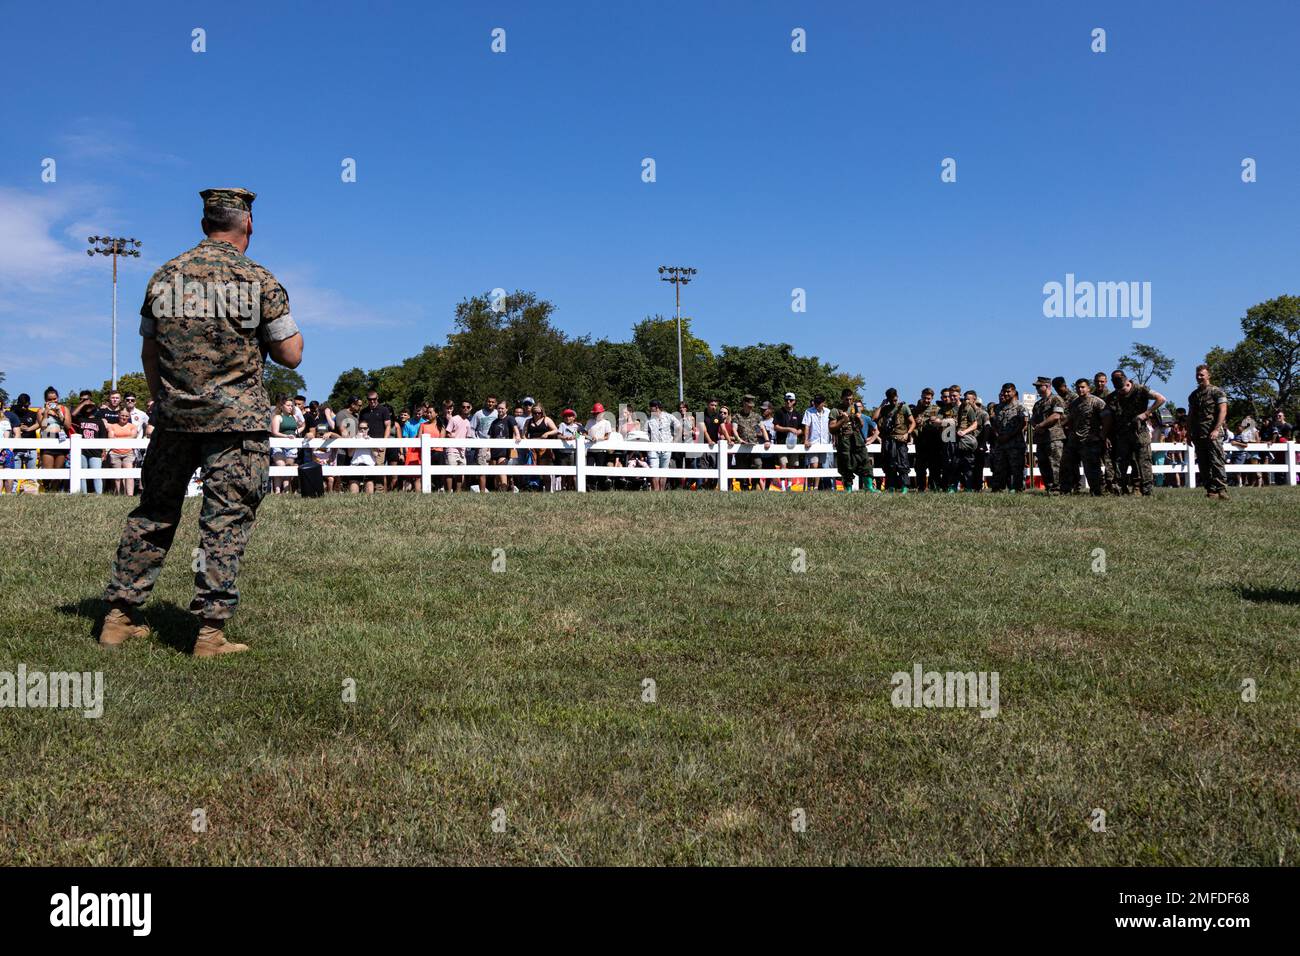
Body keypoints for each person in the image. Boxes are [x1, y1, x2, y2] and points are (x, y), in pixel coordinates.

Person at [98, 186, 304, 657]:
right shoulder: (257, 281)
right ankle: (209, 634)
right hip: (235, 424)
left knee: (153, 514)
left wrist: (163, 400)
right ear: (248, 223)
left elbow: (149, 351)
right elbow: (291, 355)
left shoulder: (165, 276)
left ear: (204, 223)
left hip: (174, 418)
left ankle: (118, 617)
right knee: (225, 522)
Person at [1108, 370, 1165, 497]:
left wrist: (1146, 413)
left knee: (1144, 462)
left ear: (1127, 382)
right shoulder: (1113, 396)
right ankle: (1121, 490)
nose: (1121, 392)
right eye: (1119, 390)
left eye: (1123, 389)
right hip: (1122, 433)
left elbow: (1161, 399)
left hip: (1140, 432)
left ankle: (1147, 491)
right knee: (1120, 462)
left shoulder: (1141, 390)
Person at [1187, 364, 1229, 499]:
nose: (1199, 377)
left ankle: (1221, 489)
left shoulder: (1217, 392)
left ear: (1208, 376)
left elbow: (1223, 410)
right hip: (1199, 434)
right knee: (1203, 464)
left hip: (1213, 433)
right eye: (1197, 375)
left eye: (1202, 375)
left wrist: (1216, 429)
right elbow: (1191, 415)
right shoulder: (1194, 395)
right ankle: (1211, 490)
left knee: (1216, 461)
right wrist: (1188, 433)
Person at [1060, 378, 1106, 495]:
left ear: (1088, 388)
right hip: (1074, 440)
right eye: (1078, 387)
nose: (1080, 389)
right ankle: (1067, 490)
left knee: (1091, 468)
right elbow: (1069, 419)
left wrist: (1102, 434)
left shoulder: (1097, 402)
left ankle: (1097, 491)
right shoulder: (1074, 404)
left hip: (1090, 440)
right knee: (1067, 464)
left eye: (1082, 387)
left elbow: (1107, 419)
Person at [1029, 376, 1066, 494]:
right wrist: (1036, 426)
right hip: (1041, 438)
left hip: (1054, 437)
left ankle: (1058, 487)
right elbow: (1032, 419)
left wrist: (1041, 425)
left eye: (1040, 386)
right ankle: (1049, 487)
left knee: (1055, 463)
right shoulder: (1038, 404)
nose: (1038, 388)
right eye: (1037, 386)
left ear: (1048, 386)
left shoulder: (1056, 399)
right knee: (1043, 464)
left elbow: (1056, 415)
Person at [828, 388, 871, 490]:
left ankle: (869, 487)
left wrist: (859, 418)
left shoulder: (854, 408)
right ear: (842, 398)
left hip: (856, 439)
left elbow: (861, 426)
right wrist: (843, 420)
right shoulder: (835, 411)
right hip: (843, 440)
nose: (849, 401)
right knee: (845, 463)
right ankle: (848, 488)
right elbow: (831, 428)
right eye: (847, 399)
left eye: (851, 399)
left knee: (864, 460)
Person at [988, 383, 1027, 492]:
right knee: (998, 468)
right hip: (1000, 443)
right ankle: (997, 489)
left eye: (1008, 391)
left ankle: (1018, 490)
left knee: (1016, 469)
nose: (1006, 393)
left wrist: (1009, 435)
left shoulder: (1020, 407)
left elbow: (1024, 423)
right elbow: (994, 423)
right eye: (1004, 391)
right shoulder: (998, 408)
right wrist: (997, 434)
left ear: (1014, 392)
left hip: (1015, 444)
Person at [875, 387, 913, 492]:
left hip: (901, 439)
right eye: (891, 400)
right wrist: (882, 405)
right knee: (889, 464)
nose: (894, 402)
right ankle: (891, 486)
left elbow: (912, 422)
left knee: (903, 463)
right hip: (888, 440)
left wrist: (907, 433)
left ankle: (905, 486)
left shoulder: (904, 407)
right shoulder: (885, 409)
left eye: (895, 399)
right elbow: (874, 418)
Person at [36, 387, 71, 491]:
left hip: (61, 439)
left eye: (54, 399)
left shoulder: (64, 409)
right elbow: (42, 426)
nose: (52, 401)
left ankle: (54, 491)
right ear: (45, 400)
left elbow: (68, 426)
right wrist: (46, 413)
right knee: (48, 471)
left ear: (58, 398)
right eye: (49, 399)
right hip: (47, 438)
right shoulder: (41, 411)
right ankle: (47, 489)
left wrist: (59, 413)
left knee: (58, 471)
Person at [71, 390, 106, 494]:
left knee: (96, 474)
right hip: (82, 451)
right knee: (82, 474)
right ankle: (83, 495)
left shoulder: (99, 420)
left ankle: (99, 495)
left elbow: (103, 436)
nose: (85, 403)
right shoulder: (80, 418)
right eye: (82, 400)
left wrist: (103, 451)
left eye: (86, 400)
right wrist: (83, 404)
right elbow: (72, 414)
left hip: (95, 451)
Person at [1092, 371, 1120, 494]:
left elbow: (1112, 417)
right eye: (1098, 381)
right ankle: (1100, 487)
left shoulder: (1111, 395)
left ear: (1106, 382)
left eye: (1102, 381)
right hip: (1095, 433)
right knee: (1096, 461)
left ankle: (1112, 485)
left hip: (1110, 433)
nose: (1100, 383)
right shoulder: (1091, 396)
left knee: (1110, 461)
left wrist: (1107, 435)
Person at [270, 395, 302, 493]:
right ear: (282, 406)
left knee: (288, 469)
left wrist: (295, 433)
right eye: (288, 405)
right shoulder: (277, 417)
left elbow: (302, 425)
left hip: (291, 446)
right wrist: (286, 436)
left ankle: (287, 491)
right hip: (279, 445)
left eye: (291, 406)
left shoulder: (294, 417)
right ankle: (277, 491)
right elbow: (274, 432)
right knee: (280, 467)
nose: (290, 407)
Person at [912, 388, 942, 491]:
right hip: (920, 442)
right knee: (920, 467)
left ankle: (934, 486)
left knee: (934, 466)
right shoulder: (915, 410)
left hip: (933, 442)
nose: (926, 400)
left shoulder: (937, 409)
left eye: (929, 398)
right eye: (924, 398)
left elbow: (941, 423)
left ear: (932, 398)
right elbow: (910, 424)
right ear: (921, 396)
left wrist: (935, 420)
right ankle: (921, 487)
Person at [646, 399, 680, 491]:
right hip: (653, 449)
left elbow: (679, 427)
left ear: (656, 407)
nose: (650, 409)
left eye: (651, 407)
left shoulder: (669, 417)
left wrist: (675, 441)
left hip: (666, 448)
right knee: (654, 471)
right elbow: (645, 434)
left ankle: (662, 492)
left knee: (664, 471)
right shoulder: (649, 420)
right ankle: (656, 492)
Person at [732, 394, 763, 489]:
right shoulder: (737, 416)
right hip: (741, 446)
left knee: (758, 464)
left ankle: (754, 484)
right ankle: (744, 486)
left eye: (752, 406)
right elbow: (734, 429)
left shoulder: (757, 416)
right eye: (749, 405)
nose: (750, 407)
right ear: (744, 404)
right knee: (742, 467)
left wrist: (766, 440)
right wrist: (739, 440)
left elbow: (762, 429)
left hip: (754, 446)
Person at [106, 408, 139, 495]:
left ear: (129, 417)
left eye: (126, 416)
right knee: (117, 476)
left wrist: (118, 439)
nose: (124, 417)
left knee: (129, 474)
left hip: (128, 452)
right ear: (119, 415)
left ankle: (130, 495)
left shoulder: (133, 426)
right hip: (115, 452)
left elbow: (133, 437)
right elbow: (111, 438)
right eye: (122, 415)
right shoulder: (113, 426)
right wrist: (125, 439)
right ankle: (120, 495)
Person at [802, 394, 831, 489]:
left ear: (823, 403)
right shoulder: (809, 411)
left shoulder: (828, 412)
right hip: (813, 443)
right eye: (816, 402)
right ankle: (810, 487)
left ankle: (816, 487)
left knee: (819, 466)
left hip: (825, 442)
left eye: (819, 403)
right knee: (813, 465)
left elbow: (831, 426)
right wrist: (806, 440)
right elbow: (807, 426)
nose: (817, 404)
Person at [442, 401, 472, 492]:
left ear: (470, 408)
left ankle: (458, 492)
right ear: (460, 408)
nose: (465, 408)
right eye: (463, 407)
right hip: (452, 449)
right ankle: (449, 492)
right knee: (450, 471)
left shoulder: (468, 422)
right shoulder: (454, 419)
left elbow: (468, 437)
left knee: (461, 472)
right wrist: (455, 439)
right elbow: (447, 433)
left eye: (467, 407)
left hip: (462, 451)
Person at [488, 404, 515, 490]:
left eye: (502, 408)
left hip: (505, 449)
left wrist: (514, 443)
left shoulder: (510, 419)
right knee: (496, 471)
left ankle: (504, 488)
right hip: (494, 449)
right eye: (499, 408)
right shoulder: (494, 422)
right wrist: (488, 449)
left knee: (501, 467)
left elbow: (515, 431)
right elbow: (491, 437)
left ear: (506, 409)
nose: (500, 410)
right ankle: (497, 489)